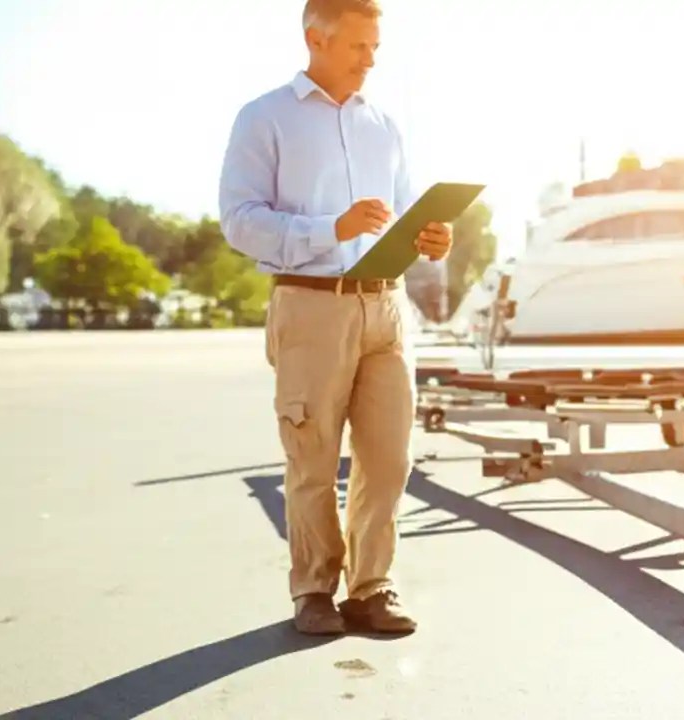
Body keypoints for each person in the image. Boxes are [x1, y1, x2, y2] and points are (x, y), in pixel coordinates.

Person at [217, 0, 449, 636]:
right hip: (310, 305)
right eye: (358, 46)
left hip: (387, 309)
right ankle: (315, 589)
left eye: (375, 46)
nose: (371, 59)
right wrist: (331, 229)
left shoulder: (385, 126)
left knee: (388, 456)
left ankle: (371, 587)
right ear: (316, 39)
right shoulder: (264, 118)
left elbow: (402, 213)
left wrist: (428, 236)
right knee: (313, 456)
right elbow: (238, 220)